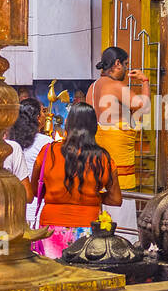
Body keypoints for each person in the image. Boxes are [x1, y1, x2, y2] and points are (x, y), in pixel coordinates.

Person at [28, 101, 121, 259]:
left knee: (53, 273)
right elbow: (115, 199)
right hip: (88, 228)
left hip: (51, 227)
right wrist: (93, 195)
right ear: (94, 127)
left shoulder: (48, 152)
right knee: (83, 276)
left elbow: (35, 190)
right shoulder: (104, 158)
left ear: (67, 124)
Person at [86, 46, 149, 190]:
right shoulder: (115, 85)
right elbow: (143, 106)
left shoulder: (92, 87)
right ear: (117, 64)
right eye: (126, 64)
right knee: (120, 204)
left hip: (97, 159)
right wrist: (145, 80)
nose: (126, 69)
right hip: (117, 159)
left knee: (103, 206)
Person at [8, 97, 53, 222]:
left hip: (14, 207)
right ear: (38, 118)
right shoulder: (46, 143)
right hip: (37, 208)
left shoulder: (10, 142)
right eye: (43, 112)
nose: (46, 115)